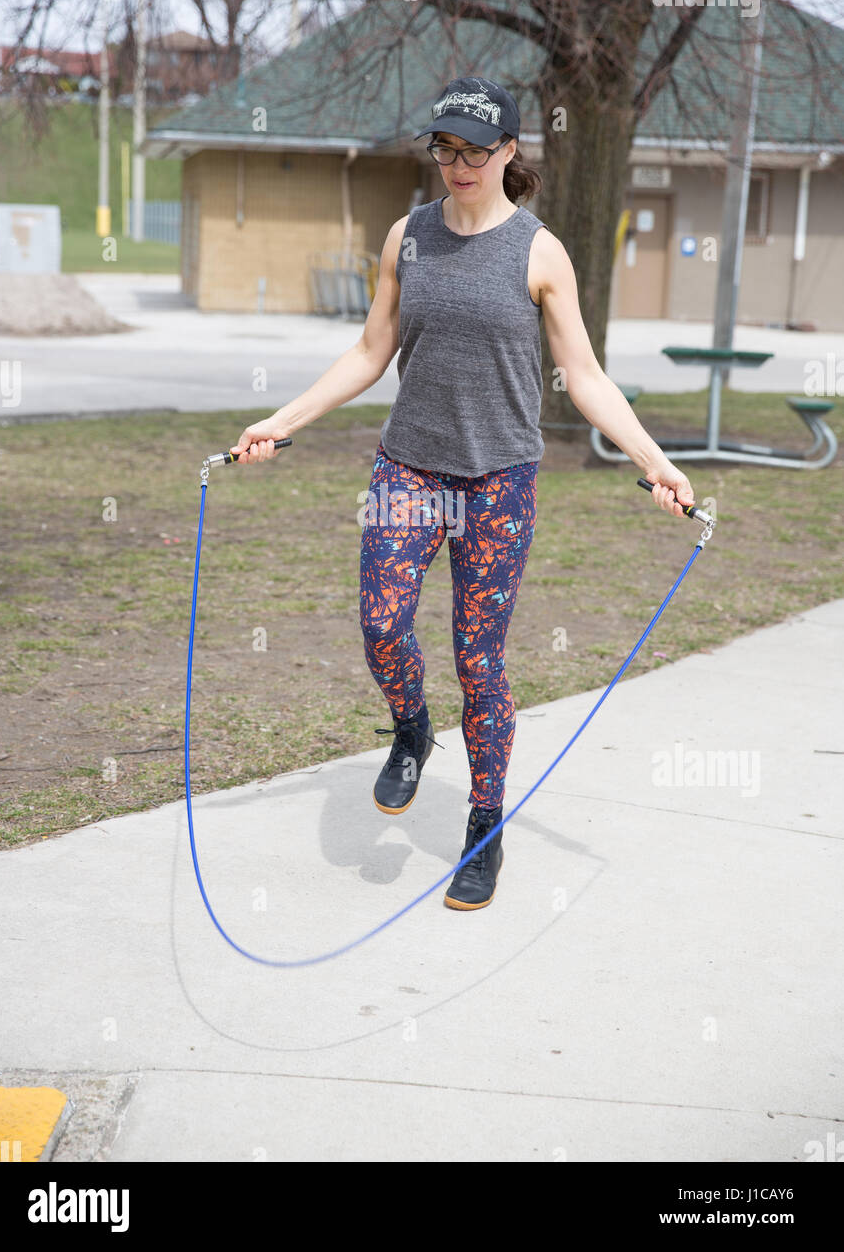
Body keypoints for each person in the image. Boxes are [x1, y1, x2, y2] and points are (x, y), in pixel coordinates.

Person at [232, 75, 695, 911]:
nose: (456, 164)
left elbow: (583, 377)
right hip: (410, 466)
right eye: (444, 148)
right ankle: (412, 726)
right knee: (381, 624)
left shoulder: (538, 251)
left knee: (478, 662)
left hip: (501, 480)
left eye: (474, 150)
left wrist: (653, 459)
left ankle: (485, 828)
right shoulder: (407, 237)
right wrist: (281, 420)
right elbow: (370, 354)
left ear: (511, 151)